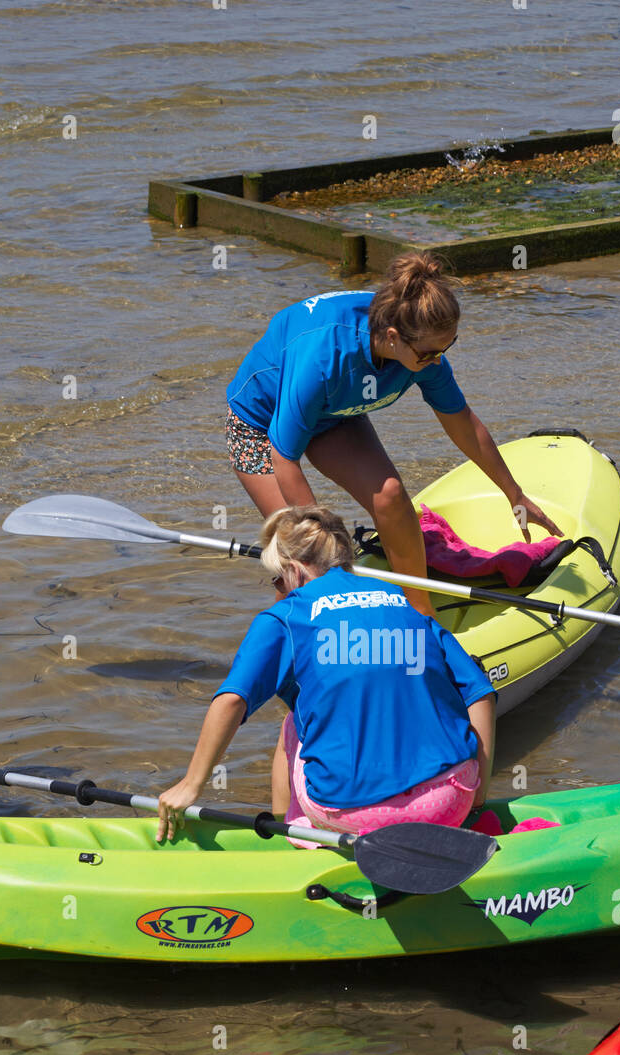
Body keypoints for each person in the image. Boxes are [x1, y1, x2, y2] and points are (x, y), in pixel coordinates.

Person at [224, 251, 561, 617]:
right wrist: (317, 534)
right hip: (259, 424)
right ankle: (284, 639)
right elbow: (284, 455)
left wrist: (514, 493)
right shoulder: (322, 358)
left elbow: (461, 421)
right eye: (431, 353)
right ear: (392, 337)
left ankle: (422, 615)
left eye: (447, 348)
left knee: (391, 495)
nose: (438, 360)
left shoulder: (421, 345)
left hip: (333, 413)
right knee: (305, 559)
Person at [156, 505, 496, 844]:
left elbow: (232, 700)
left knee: (294, 723)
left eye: (277, 579)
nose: (277, 588)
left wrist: (191, 784)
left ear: (295, 570)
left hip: (355, 816)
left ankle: (288, 834)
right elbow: (479, 692)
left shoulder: (285, 616)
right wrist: (477, 793)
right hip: (451, 800)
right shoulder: (401, 601)